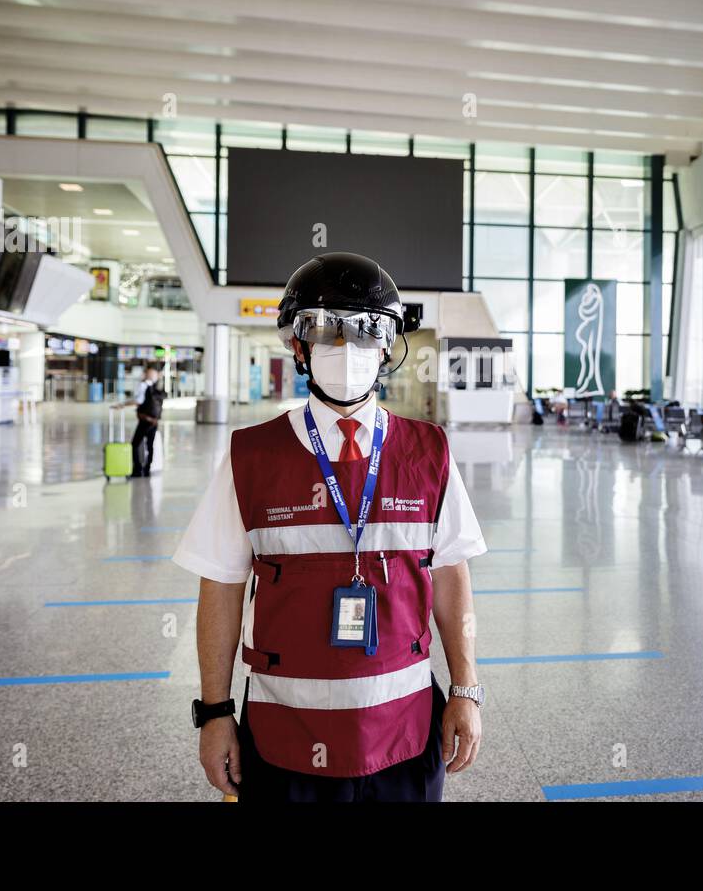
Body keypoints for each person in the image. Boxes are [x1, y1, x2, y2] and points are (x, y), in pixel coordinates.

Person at [174, 251, 487, 802]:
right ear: (296, 345)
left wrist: (465, 687)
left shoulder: (429, 452)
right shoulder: (251, 457)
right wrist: (215, 711)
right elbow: (220, 587)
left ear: (389, 345)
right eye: (326, 330)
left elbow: (450, 577)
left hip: (405, 736)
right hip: (283, 742)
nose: (348, 350)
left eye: (368, 331)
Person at [118, 365, 165, 477]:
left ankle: (138, 469)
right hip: (154, 421)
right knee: (150, 445)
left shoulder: (143, 385)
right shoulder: (157, 388)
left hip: (145, 420)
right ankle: (147, 469)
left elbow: (138, 401)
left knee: (135, 444)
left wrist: (123, 405)